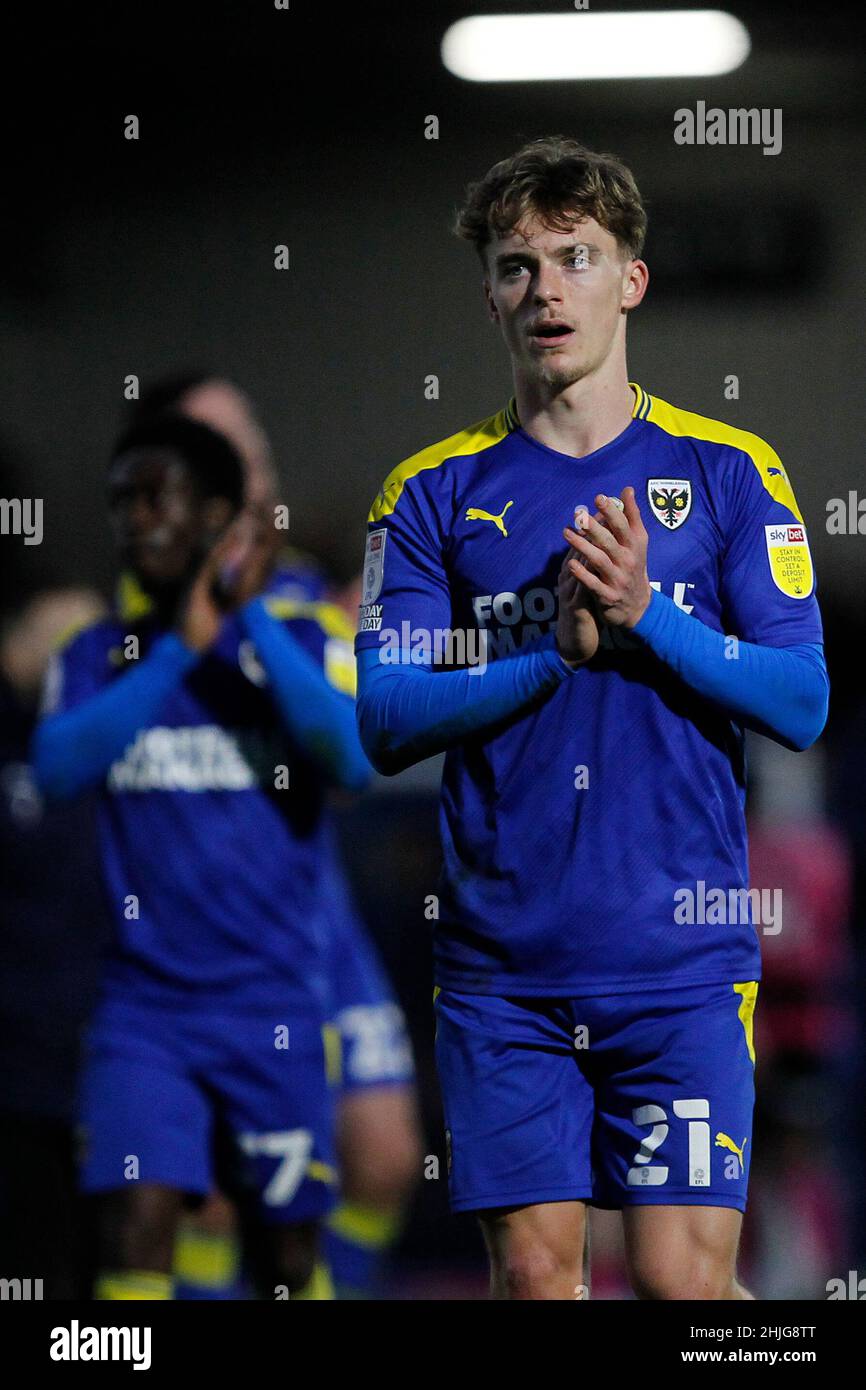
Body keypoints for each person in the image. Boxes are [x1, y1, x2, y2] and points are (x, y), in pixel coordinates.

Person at [354, 136, 829, 1300]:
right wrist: (549, 655)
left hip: (677, 962)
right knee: (534, 1281)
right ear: (488, 296)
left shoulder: (728, 472)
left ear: (631, 279)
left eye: (575, 256)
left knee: (680, 1287)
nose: (545, 289)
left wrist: (645, 619)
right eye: (516, 266)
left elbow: (800, 698)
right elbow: (388, 715)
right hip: (501, 971)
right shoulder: (427, 493)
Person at [32, 414, 370, 1300]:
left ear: (219, 513)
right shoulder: (97, 655)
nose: (133, 520)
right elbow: (60, 768)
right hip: (144, 1015)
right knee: (134, 1226)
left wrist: (243, 617)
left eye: (156, 498)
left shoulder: (298, 641)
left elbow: (350, 759)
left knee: (290, 1260)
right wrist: (180, 647)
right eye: (118, 504)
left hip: (276, 1009)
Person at [128, 372, 421, 1298]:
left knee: (381, 1155)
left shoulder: (305, 597)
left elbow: (349, 772)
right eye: (212, 441)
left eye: (246, 435)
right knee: (207, 1194)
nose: (244, 458)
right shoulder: (137, 611)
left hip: (315, 919)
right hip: (197, 919)